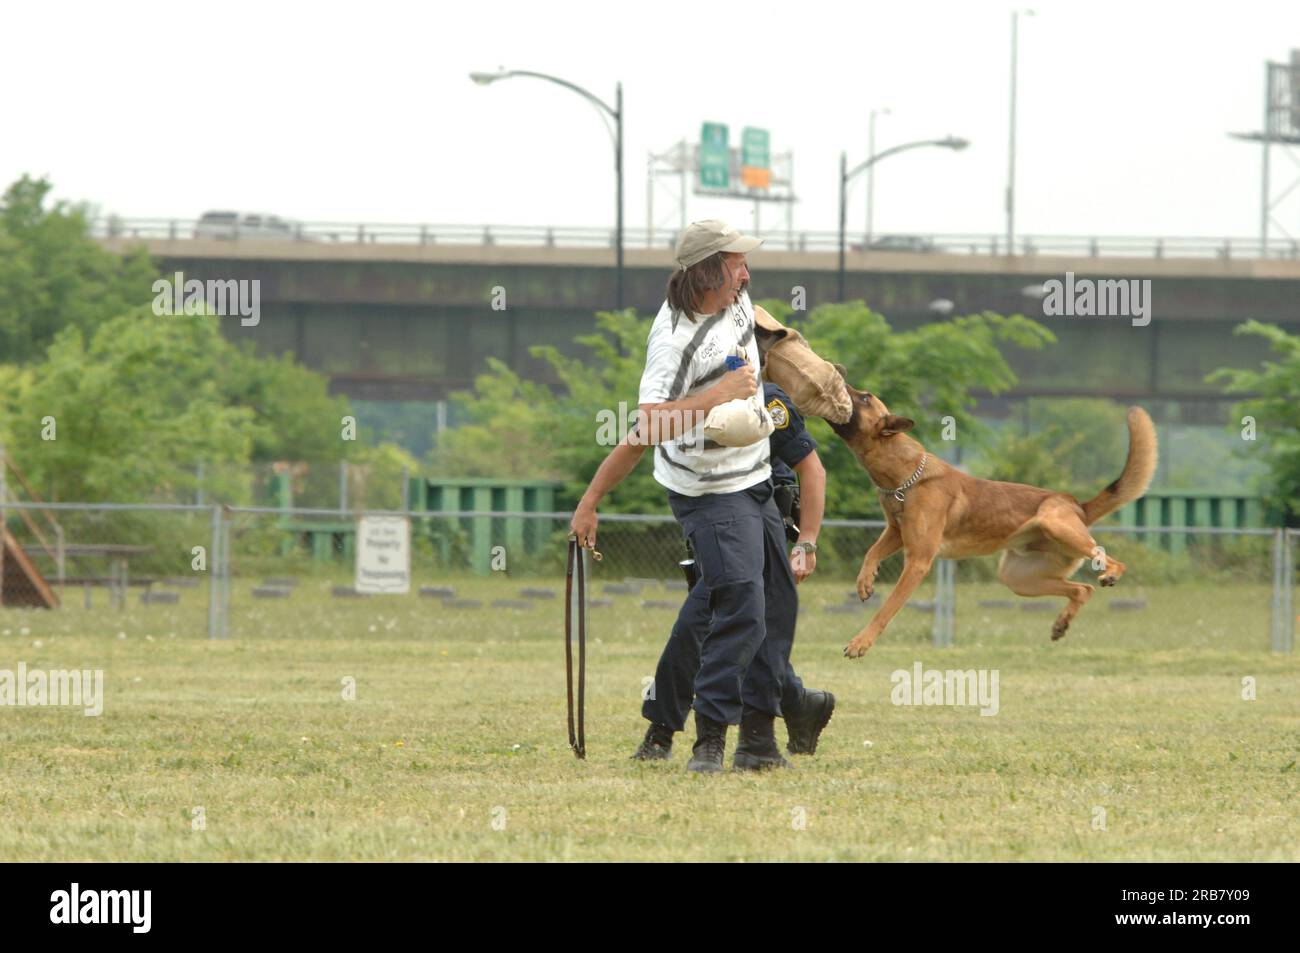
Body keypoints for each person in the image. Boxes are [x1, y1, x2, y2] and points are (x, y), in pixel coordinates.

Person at [576, 219, 801, 772]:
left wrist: (813, 373)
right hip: (706, 492)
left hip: (755, 477)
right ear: (706, 272)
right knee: (742, 604)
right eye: (736, 263)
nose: (747, 273)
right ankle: (710, 741)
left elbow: (769, 336)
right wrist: (716, 393)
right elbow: (647, 427)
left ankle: (754, 741)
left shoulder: (738, 300)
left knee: (774, 603)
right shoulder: (673, 340)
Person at [570, 381, 836, 761]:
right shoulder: (673, 399)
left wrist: (806, 541)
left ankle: (701, 736)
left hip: (764, 519)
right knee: (717, 625)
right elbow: (635, 443)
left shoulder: (765, 397)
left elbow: (812, 469)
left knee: (723, 624)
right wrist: (589, 502)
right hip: (716, 526)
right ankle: (790, 708)